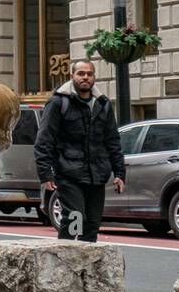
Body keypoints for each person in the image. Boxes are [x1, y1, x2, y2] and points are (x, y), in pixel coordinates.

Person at [34, 59, 126, 243]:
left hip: (96, 174)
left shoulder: (103, 104)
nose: (85, 77)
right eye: (81, 73)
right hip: (69, 173)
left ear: (94, 78)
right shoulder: (59, 102)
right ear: (72, 76)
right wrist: (45, 174)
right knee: (76, 217)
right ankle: (69, 255)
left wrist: (120, 173)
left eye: (89, 74)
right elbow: (44, 140)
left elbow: (112, 141)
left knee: (92, 222)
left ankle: (86, 264)